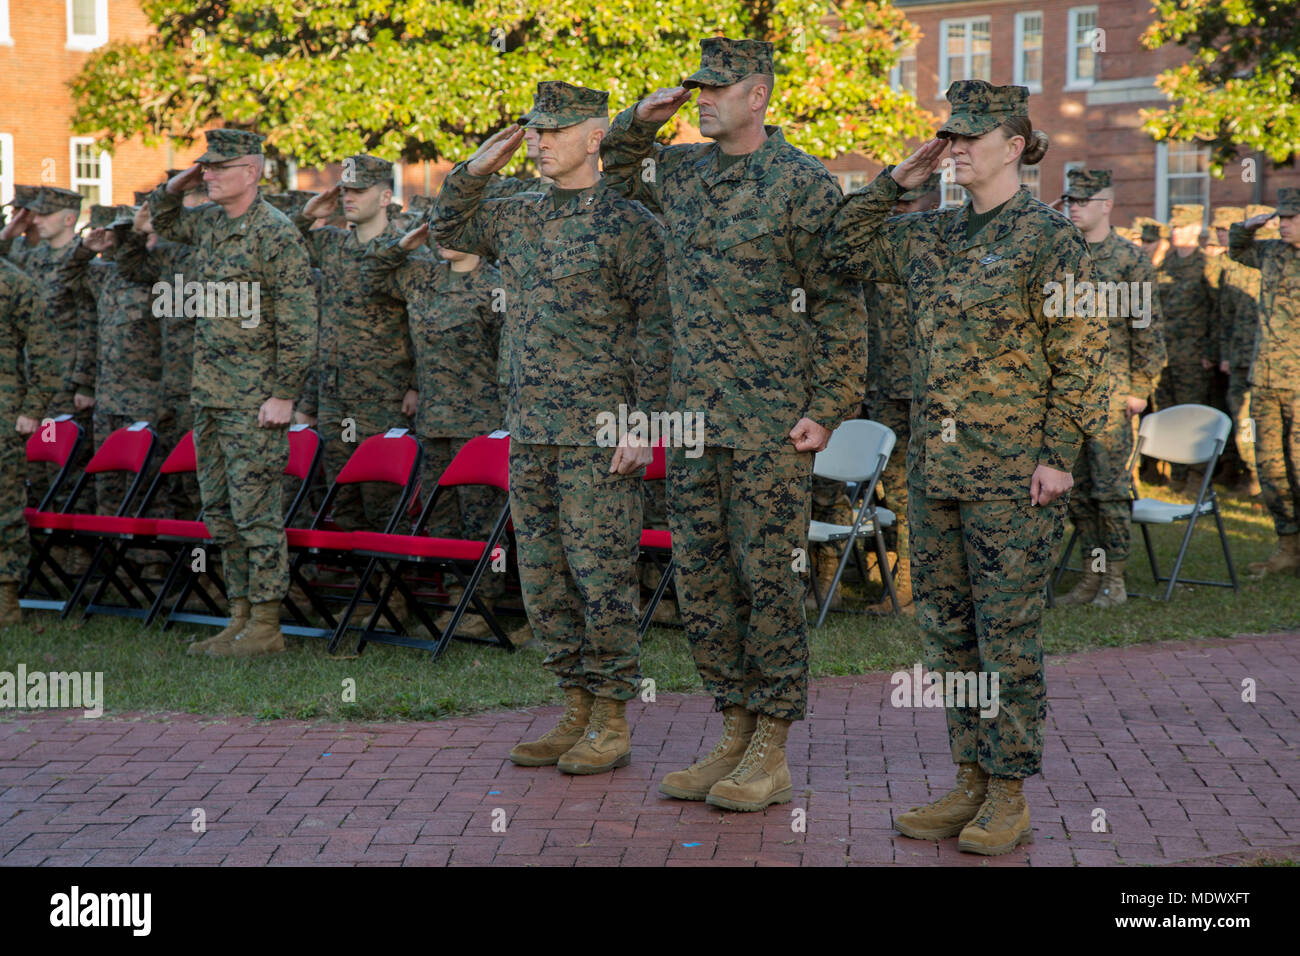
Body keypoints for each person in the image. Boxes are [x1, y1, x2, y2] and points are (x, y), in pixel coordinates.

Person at [822, 80, 1108, 854]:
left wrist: (1058, 456)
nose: (954, 150)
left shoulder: (1048, 240)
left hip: (1014, 476)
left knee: (1006, 636)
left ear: (1014, 147)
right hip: (937, 473)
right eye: (948, 137)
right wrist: (896, 181)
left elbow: (1082, 358)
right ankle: (970, 780)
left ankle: (1009, 793)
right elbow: (838, 248)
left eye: (969, 139)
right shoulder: (930, 234)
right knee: (948, 633)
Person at [600, 38, 867, 811]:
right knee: (706, 583)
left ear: (759, 96)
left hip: (766, 423)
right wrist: (640, 121)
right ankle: (733, 728)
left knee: (768, 581)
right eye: (697, 87)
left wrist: (827, 406)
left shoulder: (802, 184)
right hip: (691, 420)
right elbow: (616, 175)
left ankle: (772, 747)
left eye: (717, 87)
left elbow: (840, 303)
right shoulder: (678, 173)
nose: (702, 98)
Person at [433, 82, 671, 774]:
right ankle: (573, 705)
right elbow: (448, 229)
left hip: (599, 431)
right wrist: (476, 168)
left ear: (594, 137)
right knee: (543, 578)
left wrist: (645, 419)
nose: (537, 142)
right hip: (531, 429)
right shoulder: (516, 215)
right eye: (533, 131)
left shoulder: (630, 225)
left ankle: (612, 716)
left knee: (601, 577)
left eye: (553, 131)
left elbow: (659, 330)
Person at [149, 128, 317, 658]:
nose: (209, 175)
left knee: (256, 512)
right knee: (221, 512)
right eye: (205, 167)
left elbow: (299, 320)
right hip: (212, 395)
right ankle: (239, 617)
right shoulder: (211, 225)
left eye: (220, 167)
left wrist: (284, 393)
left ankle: (266, 625)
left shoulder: (275, 232)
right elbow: (163, 219)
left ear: (253, 172)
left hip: (255, 400)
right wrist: (180, 181)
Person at [363, 219, 506, 639]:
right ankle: (454, 599)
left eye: (454, 225)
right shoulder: (421, 276)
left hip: (481, 423)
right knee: (440, 519)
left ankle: (483, 604)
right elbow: (369, 273)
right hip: (432, 421)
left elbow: (508, 356)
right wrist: (406, 242)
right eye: (438, 228)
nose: (443, 237)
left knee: (481, 520)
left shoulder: (496, 286)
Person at [1055, 169, 1166, 608]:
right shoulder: (1062, 253)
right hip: (1067, 394)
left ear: (1107, 204)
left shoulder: (1129, 259)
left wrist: (1141, 387)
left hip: (1112, 392)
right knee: (1077, 491)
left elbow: (1148, 330)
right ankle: (1091, 575)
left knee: (1110, 490)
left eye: (1083, 200)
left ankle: (1114, 581)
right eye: (1070, 200)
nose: (1074, 206)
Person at [296, 156, 415, 533]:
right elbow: (276, 244)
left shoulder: (404, 250)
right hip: (334, 397)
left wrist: (415, 384)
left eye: (359, 190)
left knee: (383, 504)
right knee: (342, 500)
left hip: (383, 398)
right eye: (345, 189)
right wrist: (306, 214)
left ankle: (391, 591)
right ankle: (357, 588)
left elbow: (422, 324)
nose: (349, 197)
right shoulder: (331, 245)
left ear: (384, 197)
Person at [862, 171, 942, 615]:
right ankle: (902, 578)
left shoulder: (941, 249)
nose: (898, 210)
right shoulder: (883, 247)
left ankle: (921, 583)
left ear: (931, 204)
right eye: (896, 203)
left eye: (908, 204)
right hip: (884, 387)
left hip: (926, 392)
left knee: (926, 490)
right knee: (895, 489)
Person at [1229, 190, 1300, 575]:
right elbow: (1237, 251)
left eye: (1291, 218)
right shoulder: (1272, 252)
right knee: (1271, 466)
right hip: (1267, 377)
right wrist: (1246, 227)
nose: (1283, 224)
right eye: (1281, 218)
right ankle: (1288, 546)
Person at [0, 259, 55, 625]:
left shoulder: (16, 284)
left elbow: (46, 353)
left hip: (3, 415)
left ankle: (5, 598)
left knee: (3, 509)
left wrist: (33, 408)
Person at [1154, 204, 1216, 492]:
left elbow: (1219, 310)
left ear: (1196, 228)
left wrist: (1211, 350)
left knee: (1193, 414)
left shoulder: (1207, 265)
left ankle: (1197, 475)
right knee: (1168, 412)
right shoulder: (1165, 264)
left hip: (1194, 354)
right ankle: (1175, 474)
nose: (1175, 231)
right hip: (1165, 353)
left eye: (1182, 226)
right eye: (1174, 226)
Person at [1213, 206, 1262, 496]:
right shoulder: (1233, 269)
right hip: (1241, 359)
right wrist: (1226, 354)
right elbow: (1225, 316)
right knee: (1242, 418)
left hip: (1273, 362)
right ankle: (1253, 473)